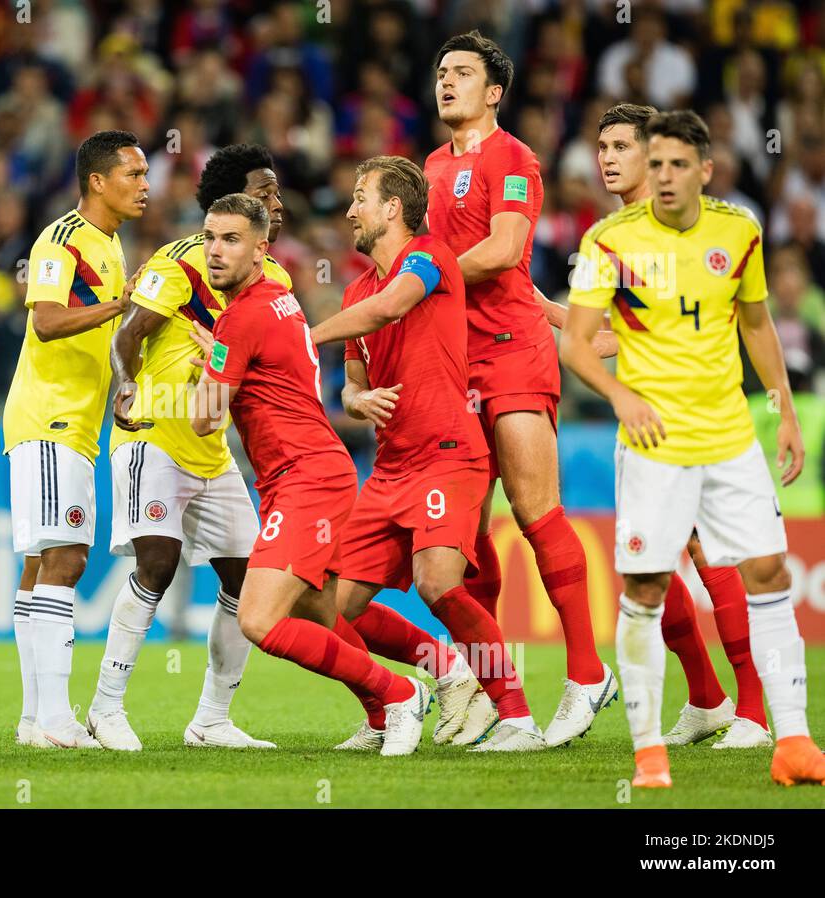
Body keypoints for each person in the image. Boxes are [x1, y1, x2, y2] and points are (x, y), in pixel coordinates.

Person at [561, 110, 825, 788]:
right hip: (653, 444)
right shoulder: (608, 240)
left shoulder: (739, 231)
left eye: (679, 164)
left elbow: (758, 321)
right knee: (645, 586)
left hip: (732, 437)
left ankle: (791, 739)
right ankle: (650, 752)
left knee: (766, 573)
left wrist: (785, 410)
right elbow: (579, 342)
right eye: (658, 163)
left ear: (705, 170)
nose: (666, 175)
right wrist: (621, 397)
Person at [310, 156, 544, 752]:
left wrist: (299, 335)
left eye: (361, 197)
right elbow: (351, 382)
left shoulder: (431, 258)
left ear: (393, 208)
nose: (350, 209)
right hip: (390, 469)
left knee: (438, 582)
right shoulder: (357, 289)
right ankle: (411, 693)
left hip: (448, 454)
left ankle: (516, 716)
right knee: (331, 606)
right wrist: (358, 402)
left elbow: (392, 307)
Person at [423, 31, 613, 747]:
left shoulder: (514, 158)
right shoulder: (433, 166)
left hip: (511, 359)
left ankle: (587, 673)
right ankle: (488, 687)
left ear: (494, 91)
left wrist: (421, 279)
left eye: (463, 73)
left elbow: (505, 252)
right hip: (453, 365)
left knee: (535, 514)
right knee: (464, 536)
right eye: (442, 72)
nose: (447, 82)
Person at [190, 193, 430, 757]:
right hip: (307, 473)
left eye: (231, 240)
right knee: (320, 613)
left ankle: (399, 694)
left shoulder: (241, 316)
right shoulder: (280, 300)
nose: (215, 251)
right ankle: (391, 707)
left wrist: (212, 363)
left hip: (306, 478)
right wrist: (225, 355)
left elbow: (205, 420)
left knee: (259, 619)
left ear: (260, 249)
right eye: (208, 237)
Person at [88, 144, 287, 751]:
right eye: (266, 191)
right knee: (158, 561)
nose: (277, 203)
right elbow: (128, 336)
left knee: (245, 577)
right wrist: (125, 387)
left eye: (276, 193)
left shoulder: (275, 278)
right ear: (234, 199)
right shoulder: (179, 260)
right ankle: (105, 709)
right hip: (153, 436)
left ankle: (211, 719)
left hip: (210, 445)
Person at [3, 130, 148, 749]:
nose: (145, 185)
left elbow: (100, 335)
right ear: (97, 181)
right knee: (66, 558)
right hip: (49, 418)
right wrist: (122, 304)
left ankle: (37, 719)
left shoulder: (111, 246)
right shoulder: (62, 239)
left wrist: (123, 383)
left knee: (43, 562)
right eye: (134, 174)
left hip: (79, 423)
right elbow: (47, 319)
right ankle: (58, 716)